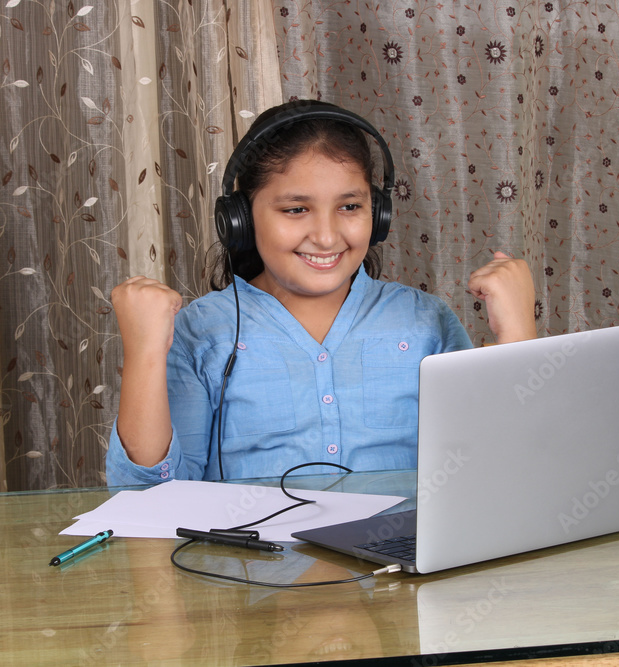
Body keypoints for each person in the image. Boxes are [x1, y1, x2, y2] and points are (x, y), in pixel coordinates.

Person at [106, 100, 536, 486]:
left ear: (378, 213)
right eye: (296, 209)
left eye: (350, 207)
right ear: (240, 218)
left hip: (401, 569)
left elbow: (499, 474)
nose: (327, 237)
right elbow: (149, 495)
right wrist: (145, 352)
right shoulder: (200, 332)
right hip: (255, 568)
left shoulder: (427, 322)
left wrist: (518, 334)